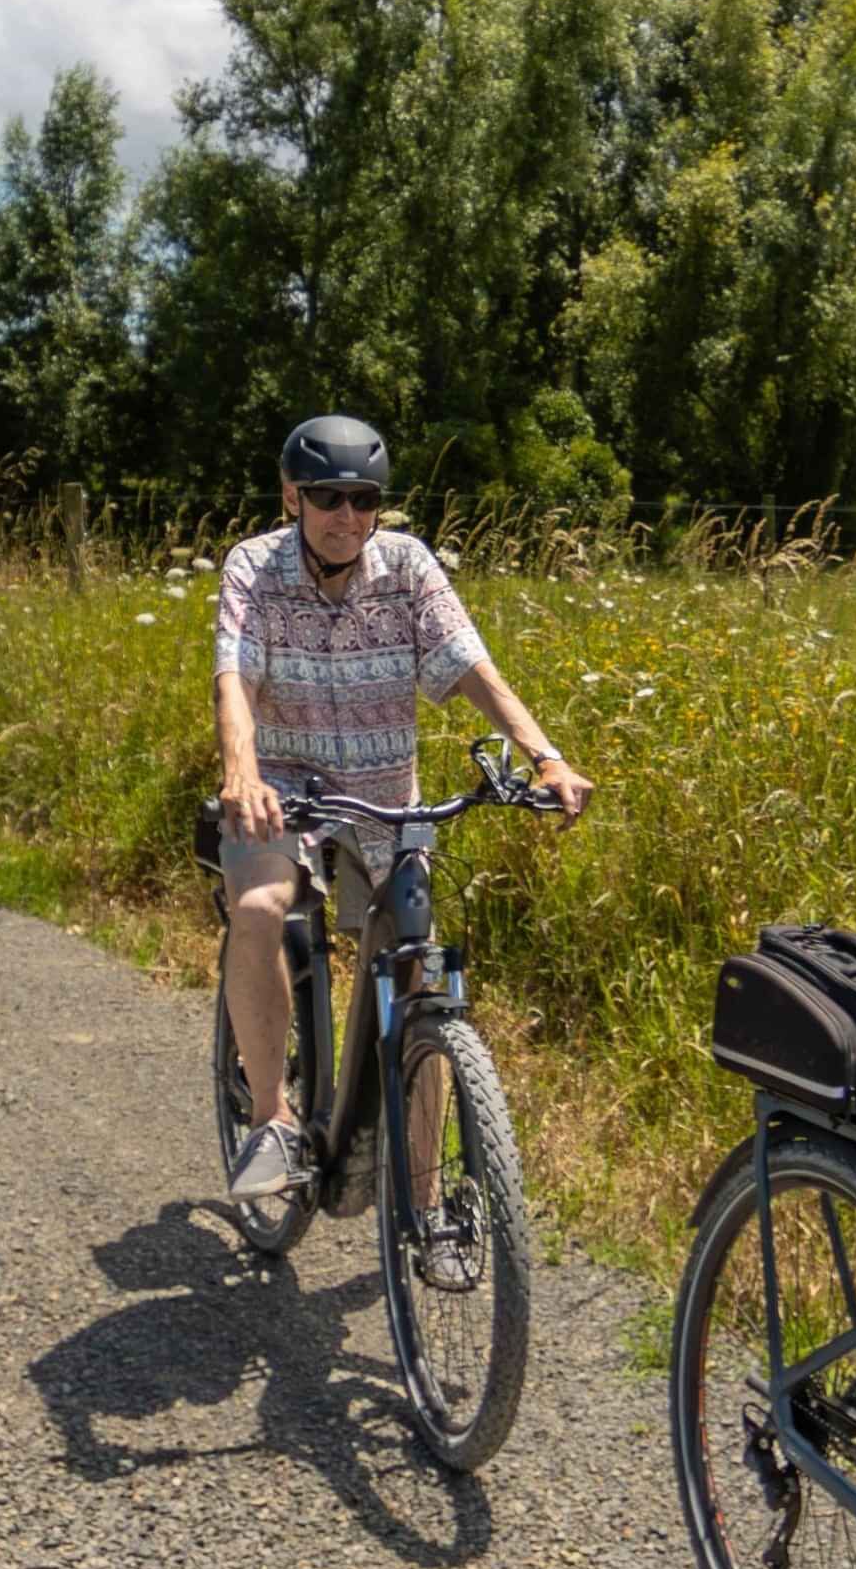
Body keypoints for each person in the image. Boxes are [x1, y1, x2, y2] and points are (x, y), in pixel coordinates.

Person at [209, 415, 591, 1229]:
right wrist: (241, 772)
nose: (346, 515)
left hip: (390, 798)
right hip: (285, 786)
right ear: (292, 498)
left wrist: (546, 756)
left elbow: (473, 667)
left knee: (420, 984)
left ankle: (425, 1207)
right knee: (259, 908)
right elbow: (235, 678)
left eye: (363, 499)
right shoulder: (253, 567)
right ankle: (274, 1117)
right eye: (327, 498)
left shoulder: (409, 568)